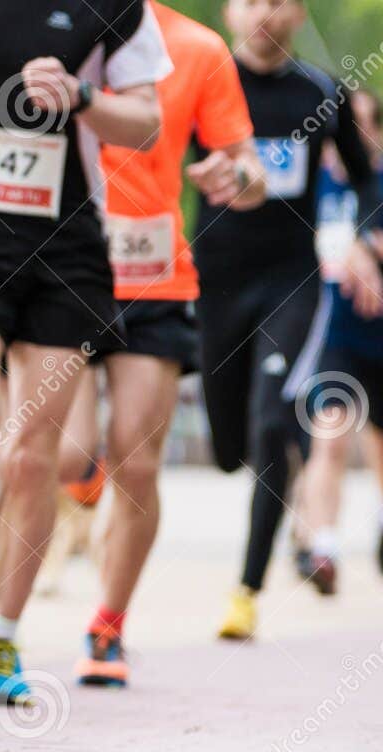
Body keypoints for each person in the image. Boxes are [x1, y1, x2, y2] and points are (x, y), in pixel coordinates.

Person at [0, 0, 168, 704]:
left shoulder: (118, 8)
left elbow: (147, 121)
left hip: (67, 255)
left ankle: (2, 635)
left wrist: (82, 97)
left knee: (35, 455)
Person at [73, 0, 268, 687]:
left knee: (136, 461)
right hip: (61, 270)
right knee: (63, 453)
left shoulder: (199, 47)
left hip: (155, 278)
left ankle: (107, 627)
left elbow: (249, 172)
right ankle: (55, 491)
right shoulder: (54, 21)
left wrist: (232, 177)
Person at [197, 0, 383, 641]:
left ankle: (246, 592)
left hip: (289, 282)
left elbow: (365, 178)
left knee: (274, 422)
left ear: (299, 14)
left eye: (279, 1)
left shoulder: (321, 92)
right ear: (229, 11)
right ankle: (253, 460)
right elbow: (151, 154)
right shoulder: (205, 80)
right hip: (215, 282)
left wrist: (363, 237)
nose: (265, 14)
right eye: (252, 1)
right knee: (230, 449)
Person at [296, 86, 383, 595]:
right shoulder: (315, 186)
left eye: (367, 122)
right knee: (328, 436)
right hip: (335, 336)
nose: (357, 133)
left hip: (379, 335)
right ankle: (323, 547)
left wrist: (365, 248)